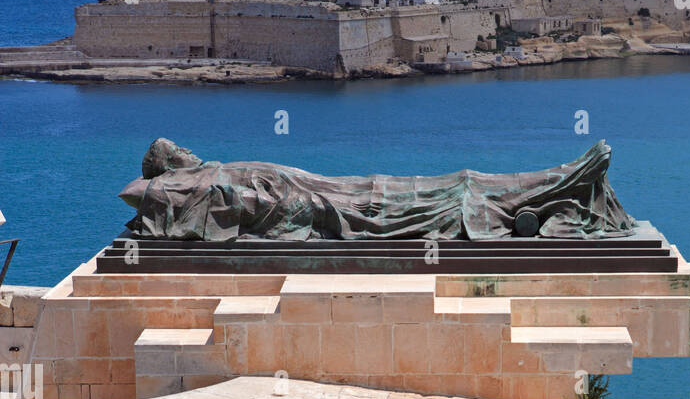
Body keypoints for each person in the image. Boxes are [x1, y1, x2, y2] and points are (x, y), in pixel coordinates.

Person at [120, 137, 637, 243]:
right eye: (174, 150)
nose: (185, 148)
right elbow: (136, 191)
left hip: (331, 188)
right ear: (169, 170)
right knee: (447, 194)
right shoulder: (194, 187)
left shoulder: (215, 168)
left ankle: (557, 183)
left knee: (455, 184)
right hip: (333, 205)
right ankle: (559, 184)